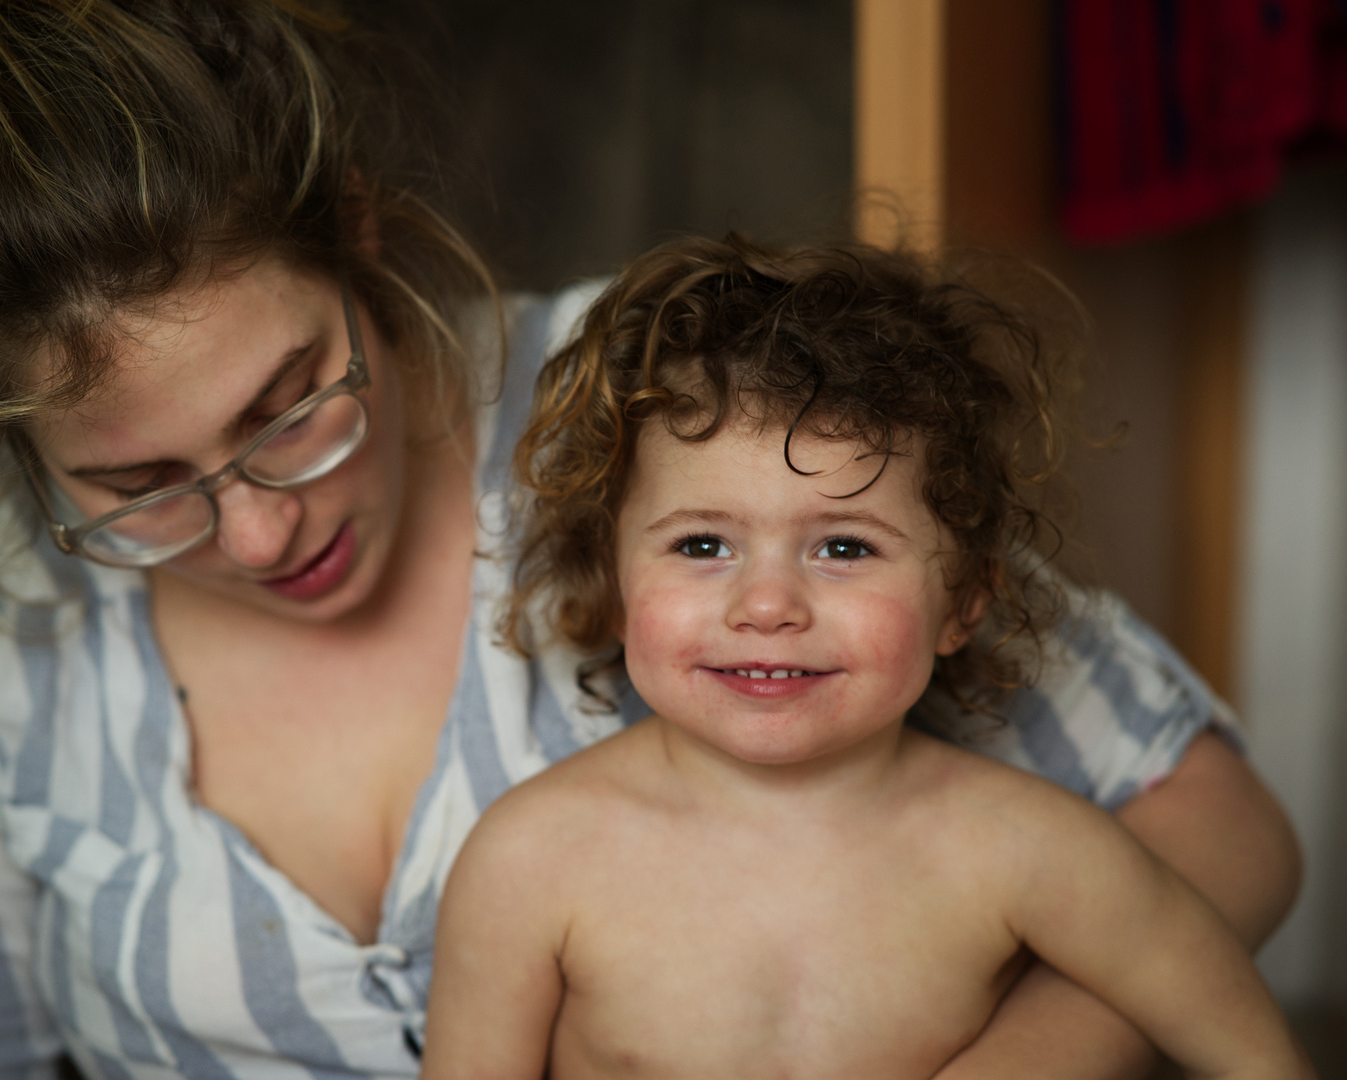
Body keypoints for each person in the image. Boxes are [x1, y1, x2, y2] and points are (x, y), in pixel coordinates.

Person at [0, 2, 1300, 1079]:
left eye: (294, 401)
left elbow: (1213, 827)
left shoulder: (678, 411)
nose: (255, 524)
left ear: (356, 235)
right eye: (137, 482)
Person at [420, 236, 1314, 1080]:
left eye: (843, 548)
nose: (766, 605)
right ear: (612, 587)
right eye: (701, 546)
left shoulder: (1028, 848)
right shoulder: (531, 862)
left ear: (963, 602)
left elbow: (1250, 1048)